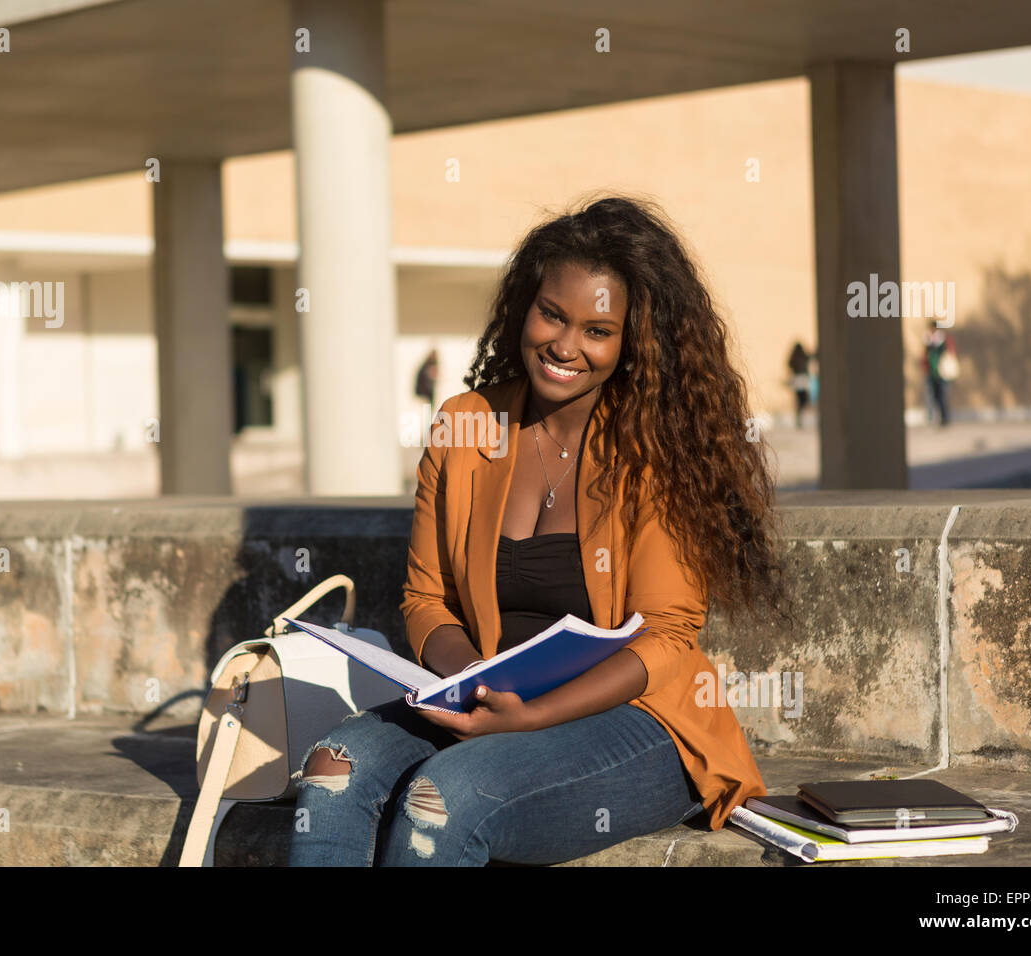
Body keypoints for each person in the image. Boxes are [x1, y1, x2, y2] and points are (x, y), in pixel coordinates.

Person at [288, 195, 793, 867]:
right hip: (492, 703)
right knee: (333, 767)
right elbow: (425, 601)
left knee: (442, 797)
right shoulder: (464, 428)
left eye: (597, 329)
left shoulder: (659, 445)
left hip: (639, 721)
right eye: (552, 314)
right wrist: (474, 680)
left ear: (632, 340)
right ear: (526, 306)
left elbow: (668, 637)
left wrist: (528, 718)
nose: (564, 344)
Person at [922, 321, 958, 427]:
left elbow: (950, 353)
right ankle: (932, 417)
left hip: (942, 373)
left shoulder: (943, 340)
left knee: (942, 395)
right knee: (932, 396)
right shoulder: (928, 340)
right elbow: (925, 355)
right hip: (931, 372)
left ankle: (945, 417)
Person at [786, 342, 813, 429]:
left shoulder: (794, 357)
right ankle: (800, 420)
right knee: (803, 400)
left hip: (797, 381)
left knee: (799, 401)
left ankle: (800, 420)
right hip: (803, 380)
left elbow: (789, 364)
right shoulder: (803, 356)